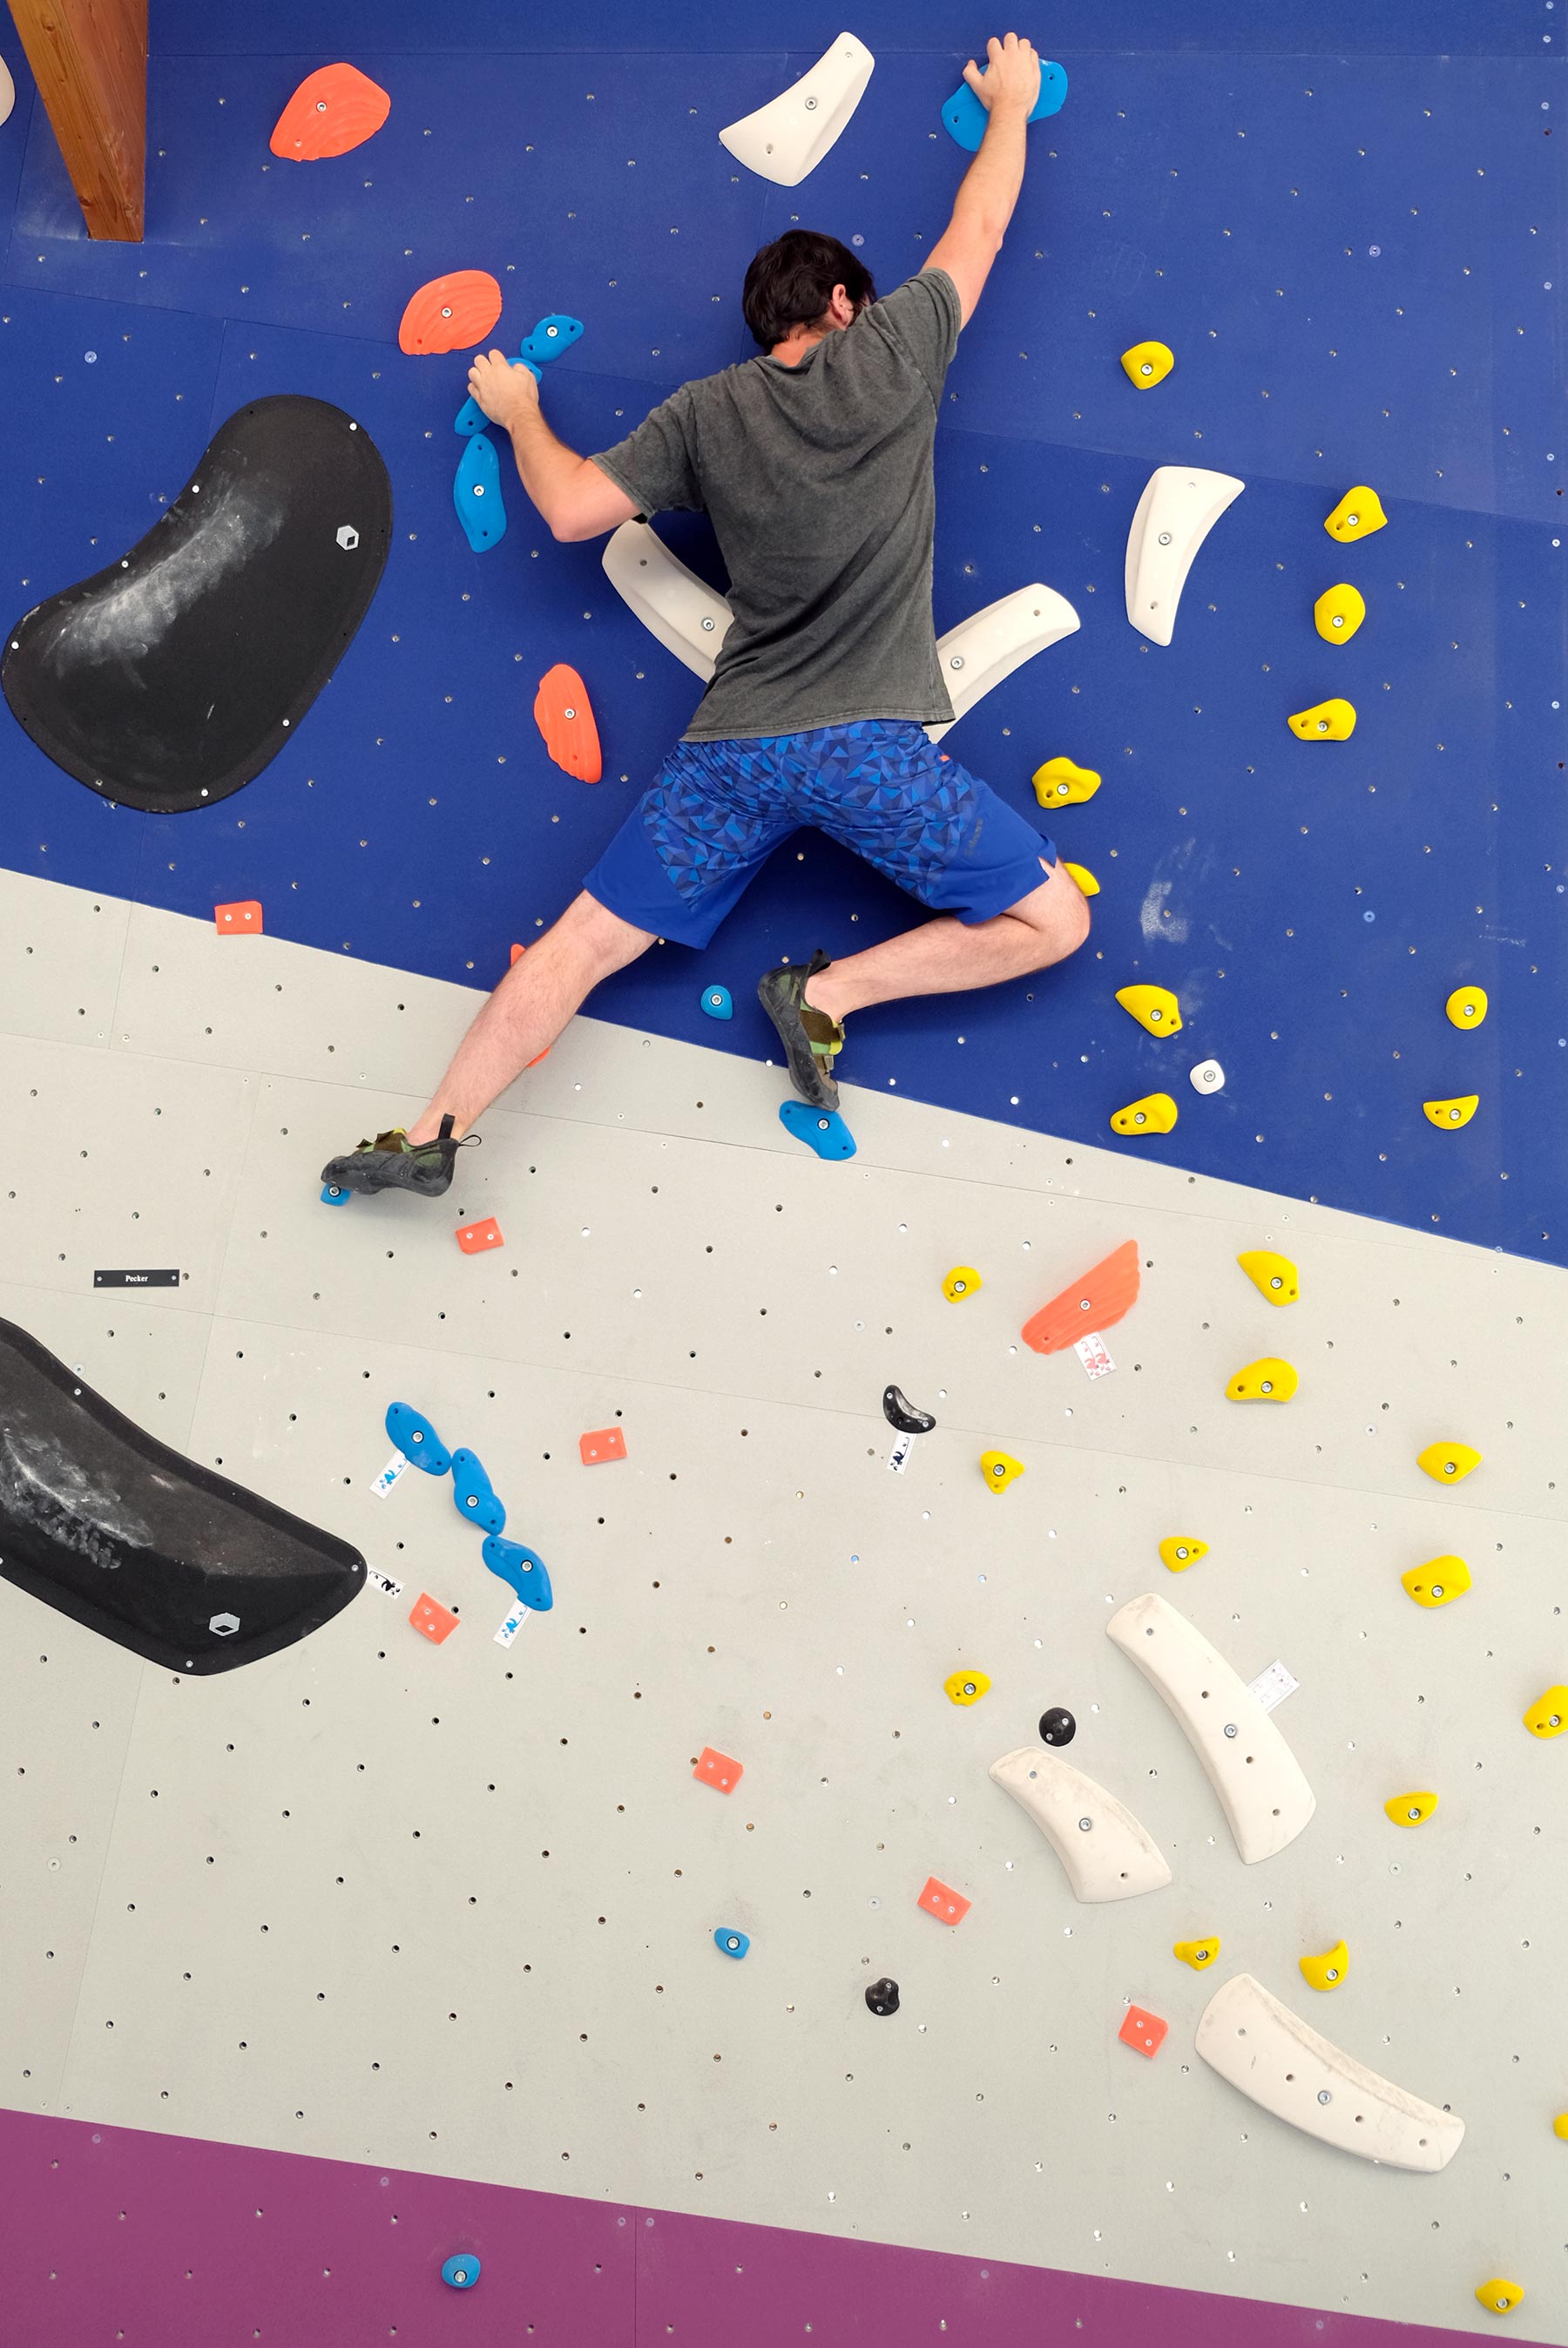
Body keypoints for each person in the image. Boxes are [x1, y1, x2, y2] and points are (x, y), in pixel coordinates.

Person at [323, 32, 1089, 1201]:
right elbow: (976, 231)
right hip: (864, 746)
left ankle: (431, 1132)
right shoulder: (892, 352)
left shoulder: (704, 413)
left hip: (734, 751)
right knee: (1054, 923)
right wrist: (1014, 107)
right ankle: (827, 998)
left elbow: (577, 512)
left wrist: (522, 410)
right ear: (843, 302)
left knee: (580, 941)